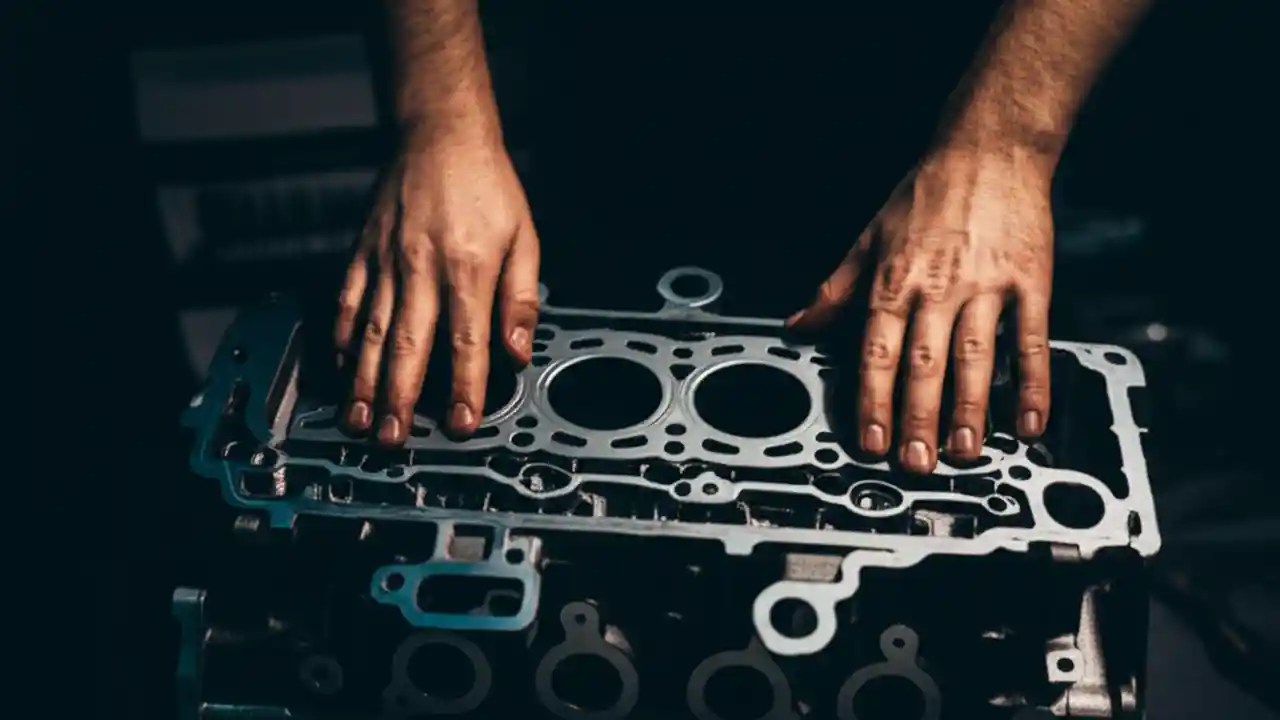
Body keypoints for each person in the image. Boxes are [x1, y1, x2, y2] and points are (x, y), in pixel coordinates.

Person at [334, 0, 1154, 474]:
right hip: (612, 75)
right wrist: (437, 118)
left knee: (951, 392)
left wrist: (1006, 143)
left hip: (938, 75)